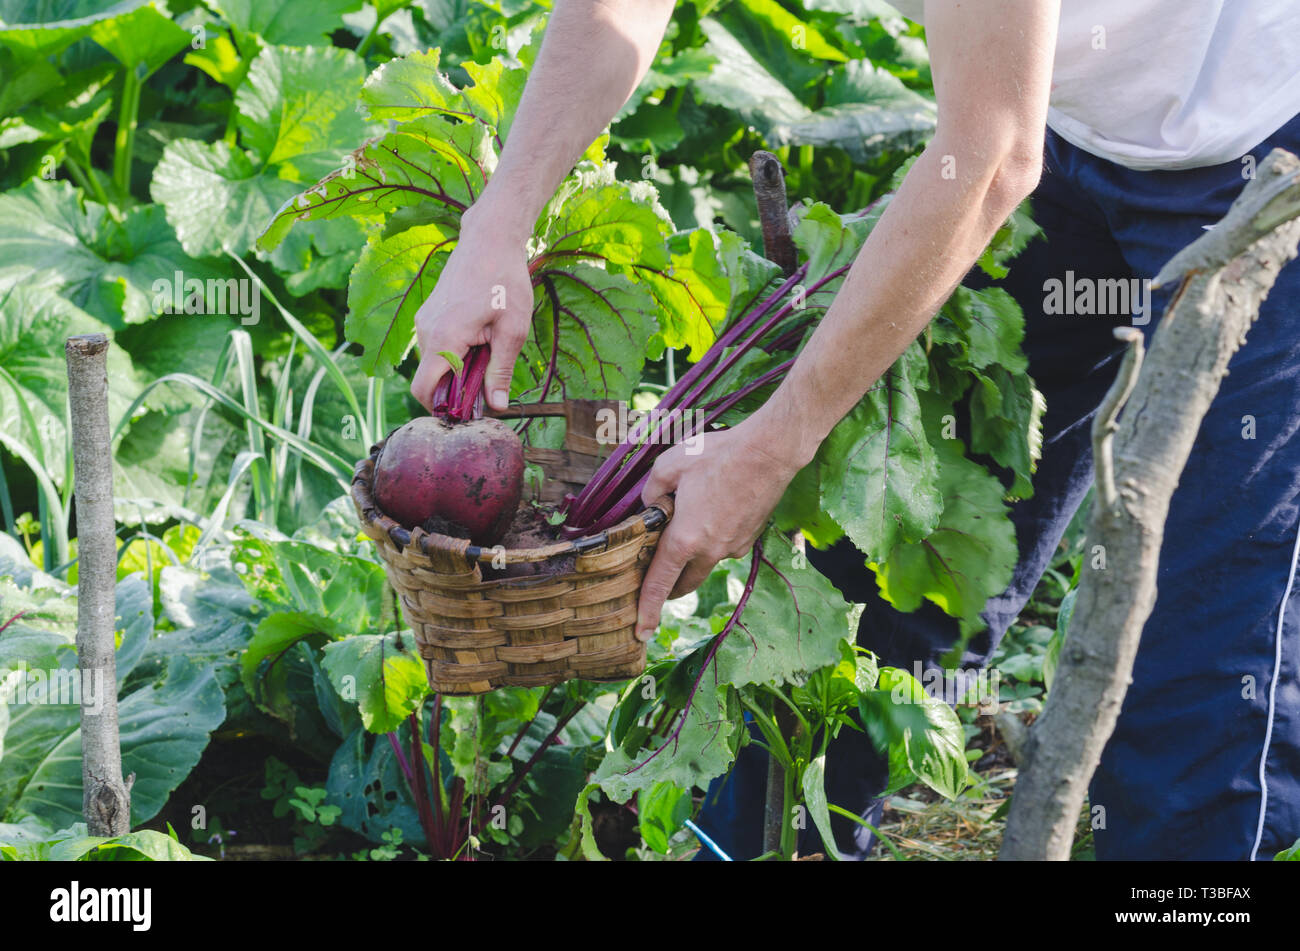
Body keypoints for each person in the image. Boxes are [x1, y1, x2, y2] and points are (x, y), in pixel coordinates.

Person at [408, 0, 1300, 860]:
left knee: (1202, 671)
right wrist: (499, 221)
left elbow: (990, 158)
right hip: (1068, 120)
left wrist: (772, 441)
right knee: (881, 549)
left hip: (1263, 142)